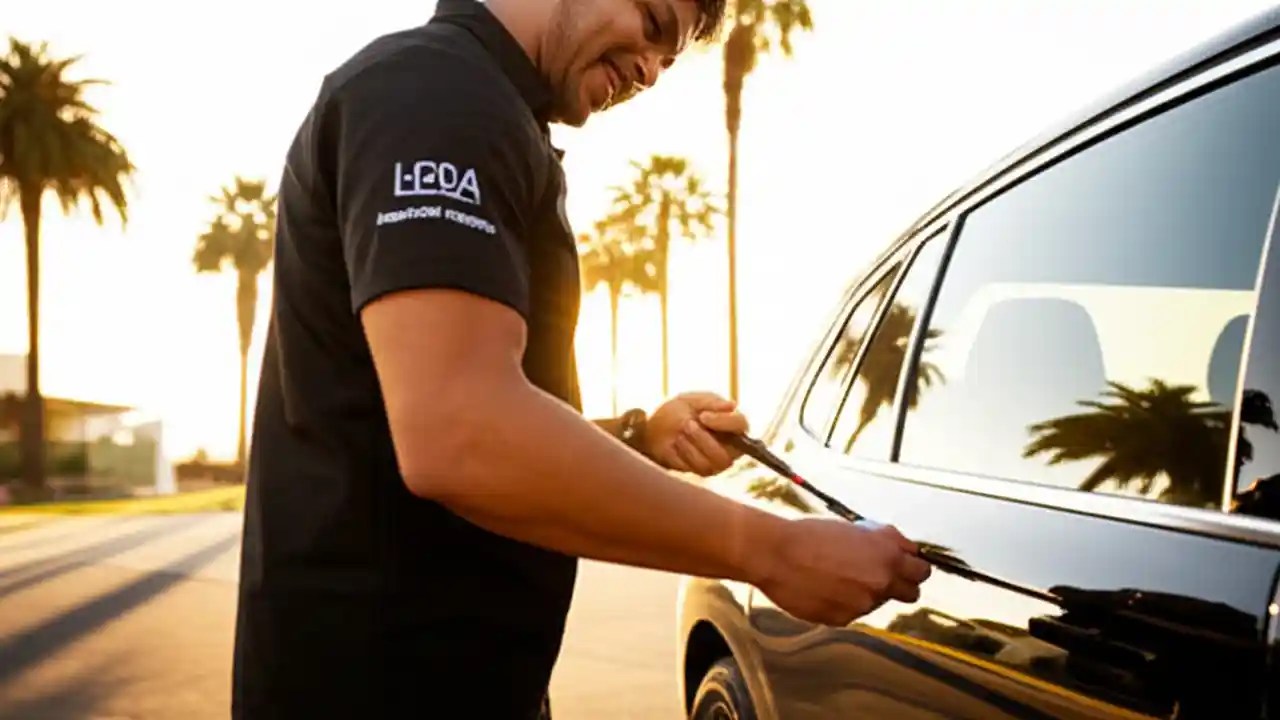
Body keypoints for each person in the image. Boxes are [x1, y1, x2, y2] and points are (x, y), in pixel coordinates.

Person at [230, 0, 932, 717]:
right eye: (654, 22)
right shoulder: (435, 94)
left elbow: (420, 416)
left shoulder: (480, 104)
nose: (653, 72)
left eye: (671, 57)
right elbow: (458, 433)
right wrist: (771, 551)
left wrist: (636, 437)